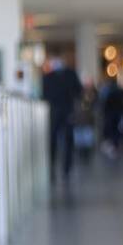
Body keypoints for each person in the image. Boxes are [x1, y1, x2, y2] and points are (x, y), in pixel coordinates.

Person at [41, 51, 83, 184]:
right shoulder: (48, 77)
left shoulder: (69, 74)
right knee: (53, 140)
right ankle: (53, 166)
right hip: (56, 112)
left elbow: (78, 91)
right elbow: (44, 95)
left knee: (67, 140)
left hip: (66, 112)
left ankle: (66, 168)